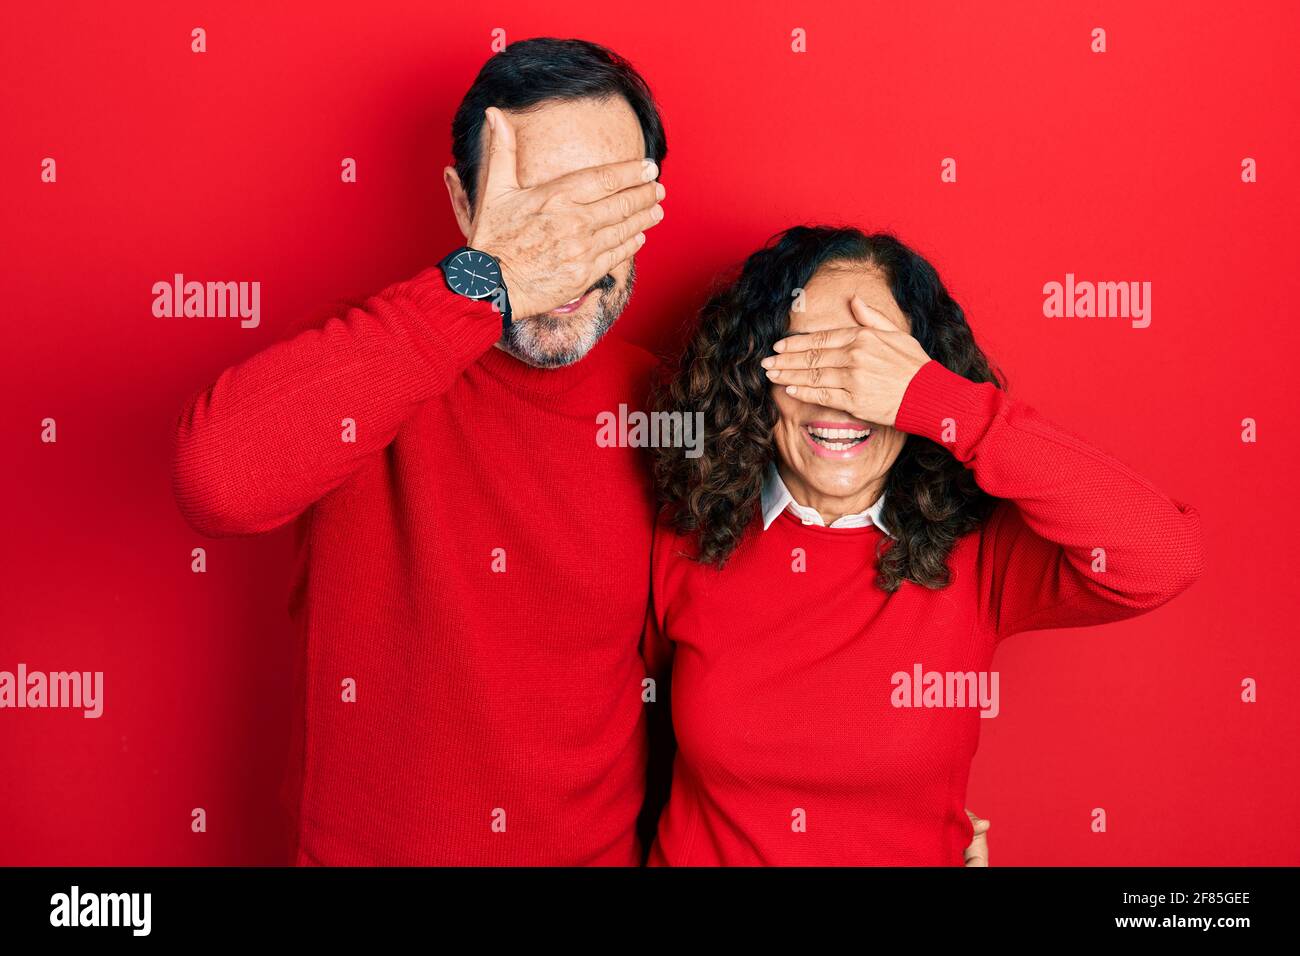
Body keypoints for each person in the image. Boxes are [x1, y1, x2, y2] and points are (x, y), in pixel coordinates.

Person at [172, 38, 668, 865]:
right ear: (463, 204)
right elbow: (216, 484)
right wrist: (480, 283)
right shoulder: (370, 357)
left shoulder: (675, 409)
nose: (565, 250)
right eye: (536, 208)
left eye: (604, 207)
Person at [646, 226, 1204, 865]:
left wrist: (942, 405)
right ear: (753, 379)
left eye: (870, 367)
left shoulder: (977, 553)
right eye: (810, 361)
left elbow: (1163, 557)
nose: (841, 402)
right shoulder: (683, 533)